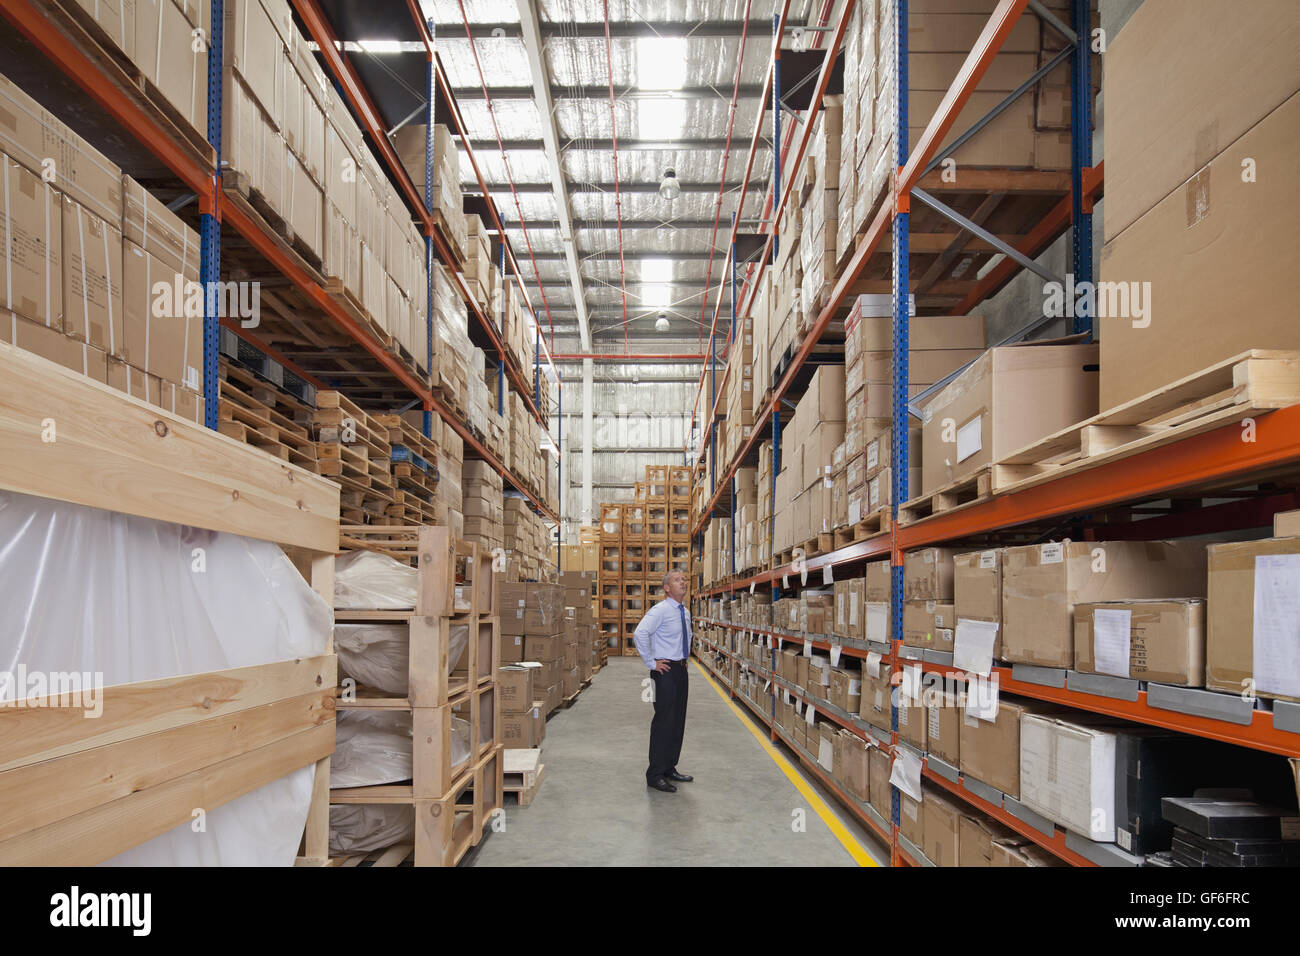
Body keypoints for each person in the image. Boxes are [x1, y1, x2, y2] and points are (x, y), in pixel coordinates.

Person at [633, 569, 694, 793]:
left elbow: (685, 637)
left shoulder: (684, 612)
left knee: (678, 721)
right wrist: (652, 663)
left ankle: (670, 767)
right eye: (677, 580)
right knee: (664, 721)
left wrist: (685, 658)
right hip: (664, 672)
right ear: (667, 588)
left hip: (679, 670)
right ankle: (655, 774)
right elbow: (640, 634)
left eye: (684, 579)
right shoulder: (660, 610)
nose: (683, 582)